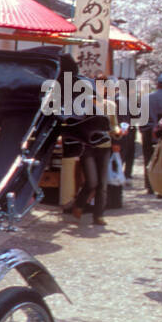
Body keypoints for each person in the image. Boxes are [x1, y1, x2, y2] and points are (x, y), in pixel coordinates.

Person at [61, 95, 120, 226]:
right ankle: (79, 203)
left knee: (102, 184)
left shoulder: (110, 105)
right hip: (87, 147)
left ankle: (98, 215)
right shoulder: (81, 105)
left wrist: (117, 132)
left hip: (104, 148)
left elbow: (113, 125)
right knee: (92, 181)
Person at [142, 72, 162, 194]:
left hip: (148, 131)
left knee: (148, 159)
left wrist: (143, 129)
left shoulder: (147, 98)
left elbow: (141, 117)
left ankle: (149, 185)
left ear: (157, 84)